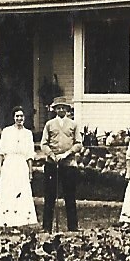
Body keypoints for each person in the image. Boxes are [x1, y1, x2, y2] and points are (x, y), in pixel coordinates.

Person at [0, 107, 39, 229]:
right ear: (13, 117)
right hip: (9, 164)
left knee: (21, 192)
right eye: (17, 116)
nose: (19, 118)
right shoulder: (7, 132)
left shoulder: (28, 134)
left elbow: (30, 154)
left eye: (21, 116)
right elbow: (1, 151)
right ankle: (5, 221)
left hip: (21, 165)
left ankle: (21, 221)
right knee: (8, 191)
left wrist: (30, 172)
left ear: (25, 118)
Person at [41, 97, 81, 232]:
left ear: (67, 109)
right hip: (52, 163)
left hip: (68, 164)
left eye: (63, 107)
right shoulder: (49, 124)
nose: (61, 110)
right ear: (55, 110)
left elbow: (78, 143)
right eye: (58, 107)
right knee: (50, 196)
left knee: (70, 196)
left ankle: (73, 227)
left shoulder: (73, 124)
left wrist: (67, 154)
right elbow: (44, 144)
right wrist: (52, 155)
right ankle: (46, 228)